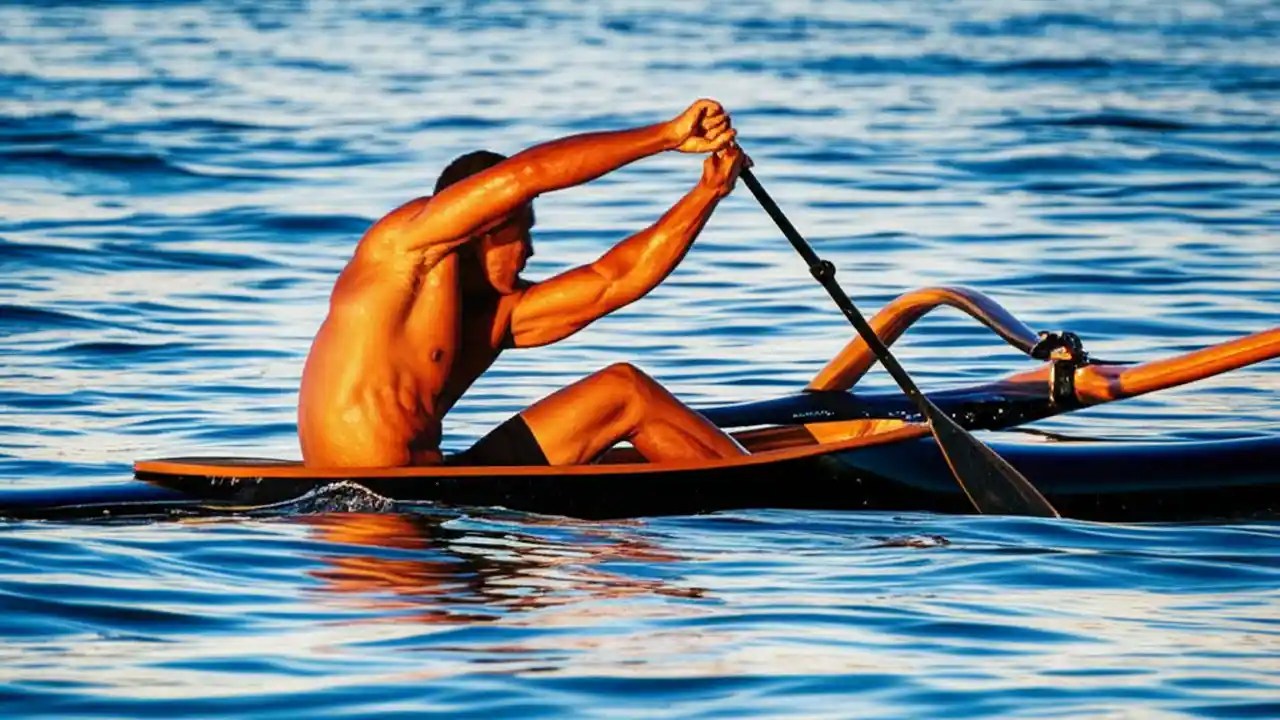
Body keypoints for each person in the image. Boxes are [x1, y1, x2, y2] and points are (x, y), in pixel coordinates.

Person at [298, 99, 750, 468]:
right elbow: (528, 175)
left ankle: (752, 481)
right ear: (482, 223)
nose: (530, 250)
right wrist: (668, 135)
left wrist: (707, 194)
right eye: (522, 231)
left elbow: (613, 282)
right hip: (369, 516)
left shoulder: (495, 315)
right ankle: (771, 487)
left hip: (433, 489)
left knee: (625, 392)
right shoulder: (401, 248)